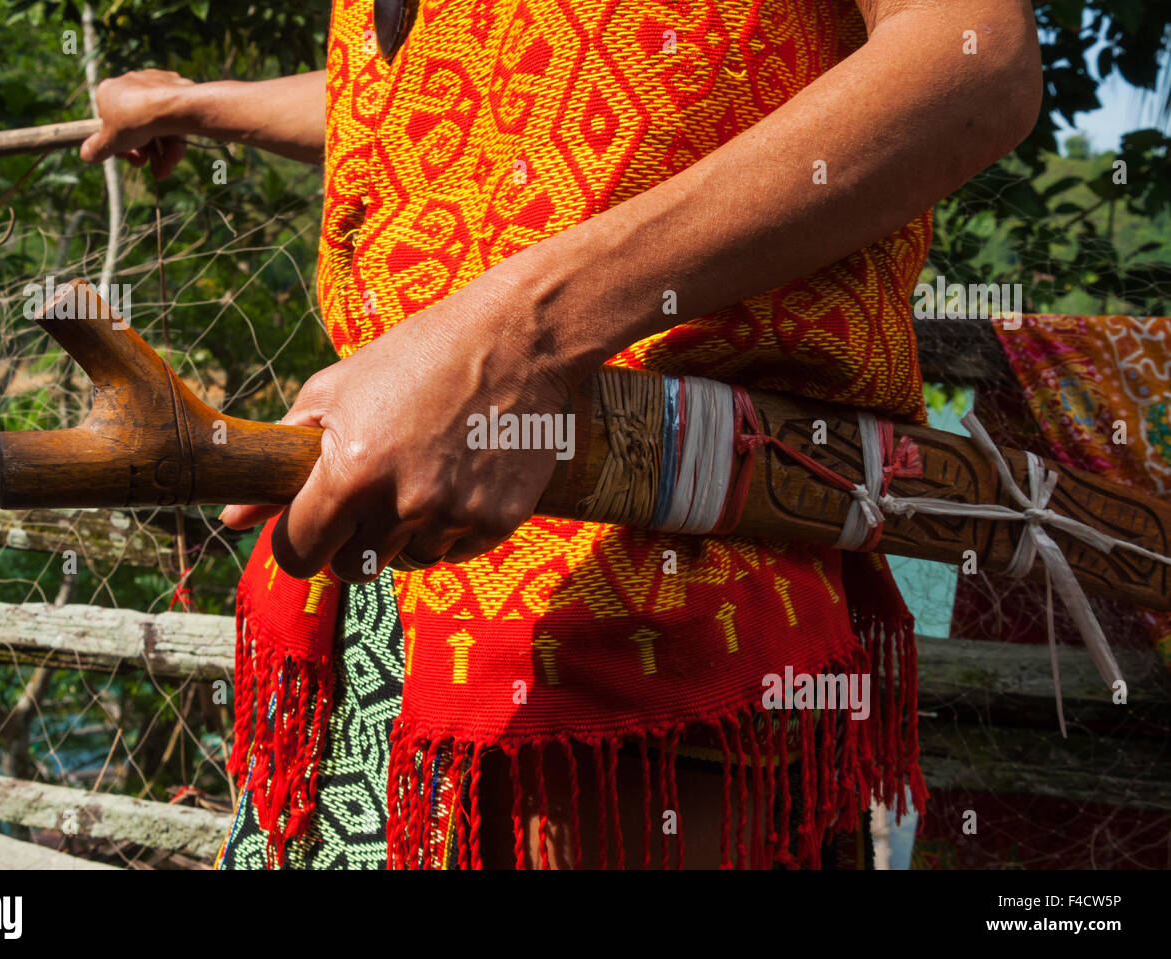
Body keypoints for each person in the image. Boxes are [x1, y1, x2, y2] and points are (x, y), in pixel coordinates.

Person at [84, 0, 1041, 869]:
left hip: (642, 622)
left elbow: (973, 58)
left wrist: (519, 341)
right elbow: (425, 105)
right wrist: (197, 105)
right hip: (377, 597)